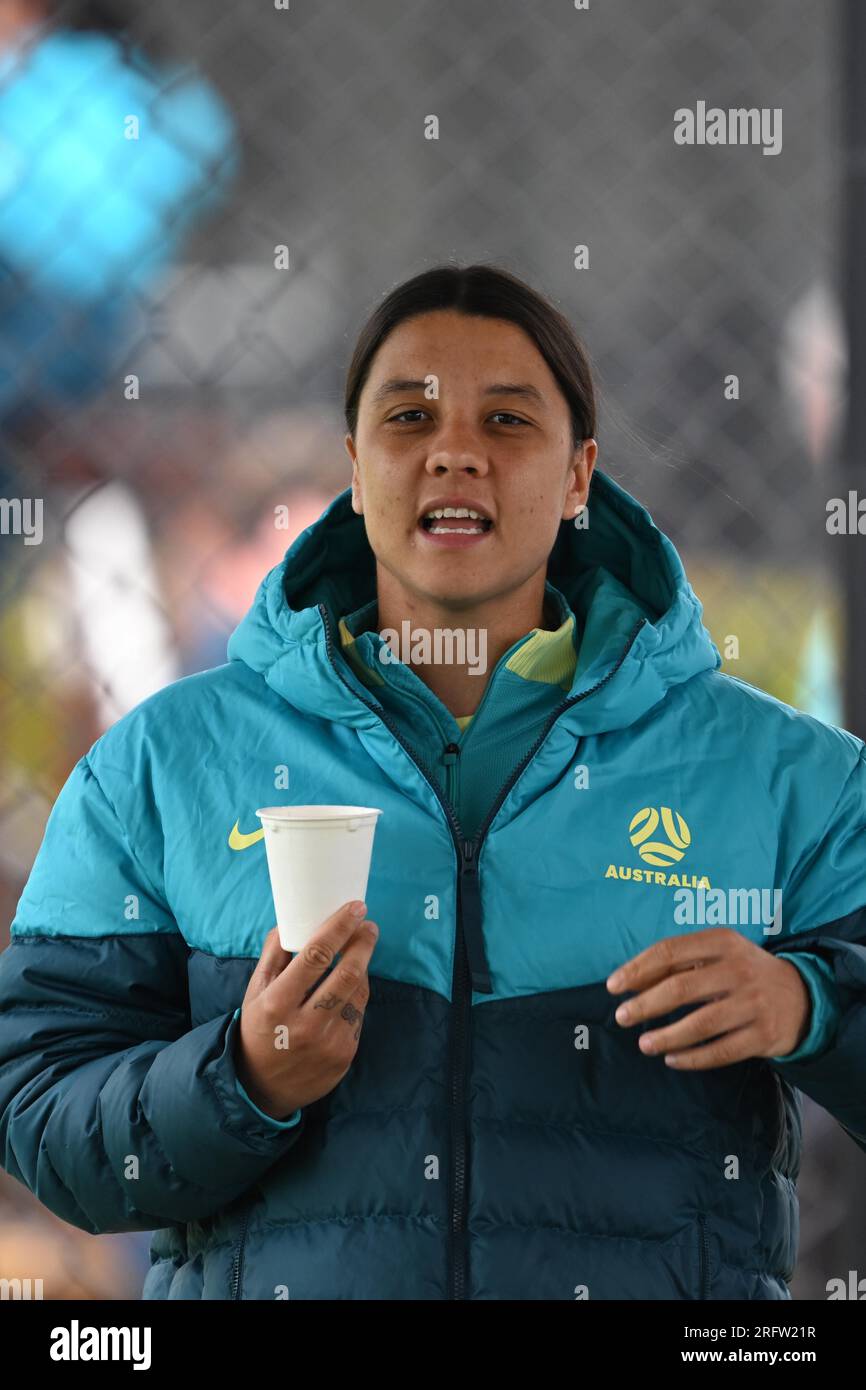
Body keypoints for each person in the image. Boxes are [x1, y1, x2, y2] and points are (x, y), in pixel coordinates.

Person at [1, 263, 864, 1301]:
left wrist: (805, 1007)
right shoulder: (161, 765)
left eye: (506, 421)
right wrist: (243, 1077)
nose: (455, 450)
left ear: (580, 473)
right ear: (356, 468)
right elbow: (37, 1107)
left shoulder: (781, 775)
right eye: (409, 417)